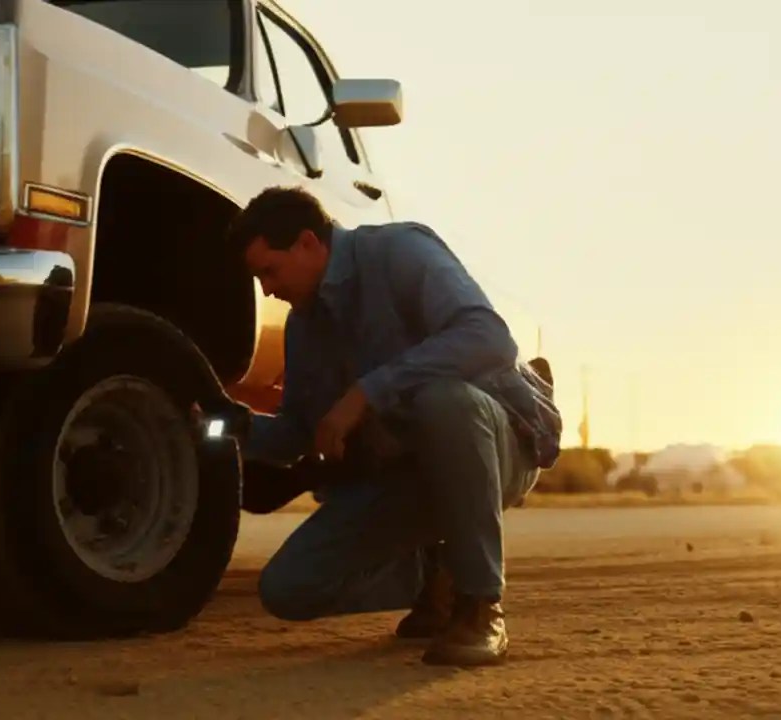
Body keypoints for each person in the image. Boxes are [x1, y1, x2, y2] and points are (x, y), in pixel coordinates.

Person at [216, 186, 561, 667]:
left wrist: (367, 393)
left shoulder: (400, 251)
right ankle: (435, 573)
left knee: (442, 401)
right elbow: (299, 431)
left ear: (308, 243)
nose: (267, 290)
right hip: (406, 476)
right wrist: (229, 427)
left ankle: (481, 606)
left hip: (497, 445)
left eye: (268, 271)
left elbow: (490, 338)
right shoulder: (303, 326)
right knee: (287, 590)